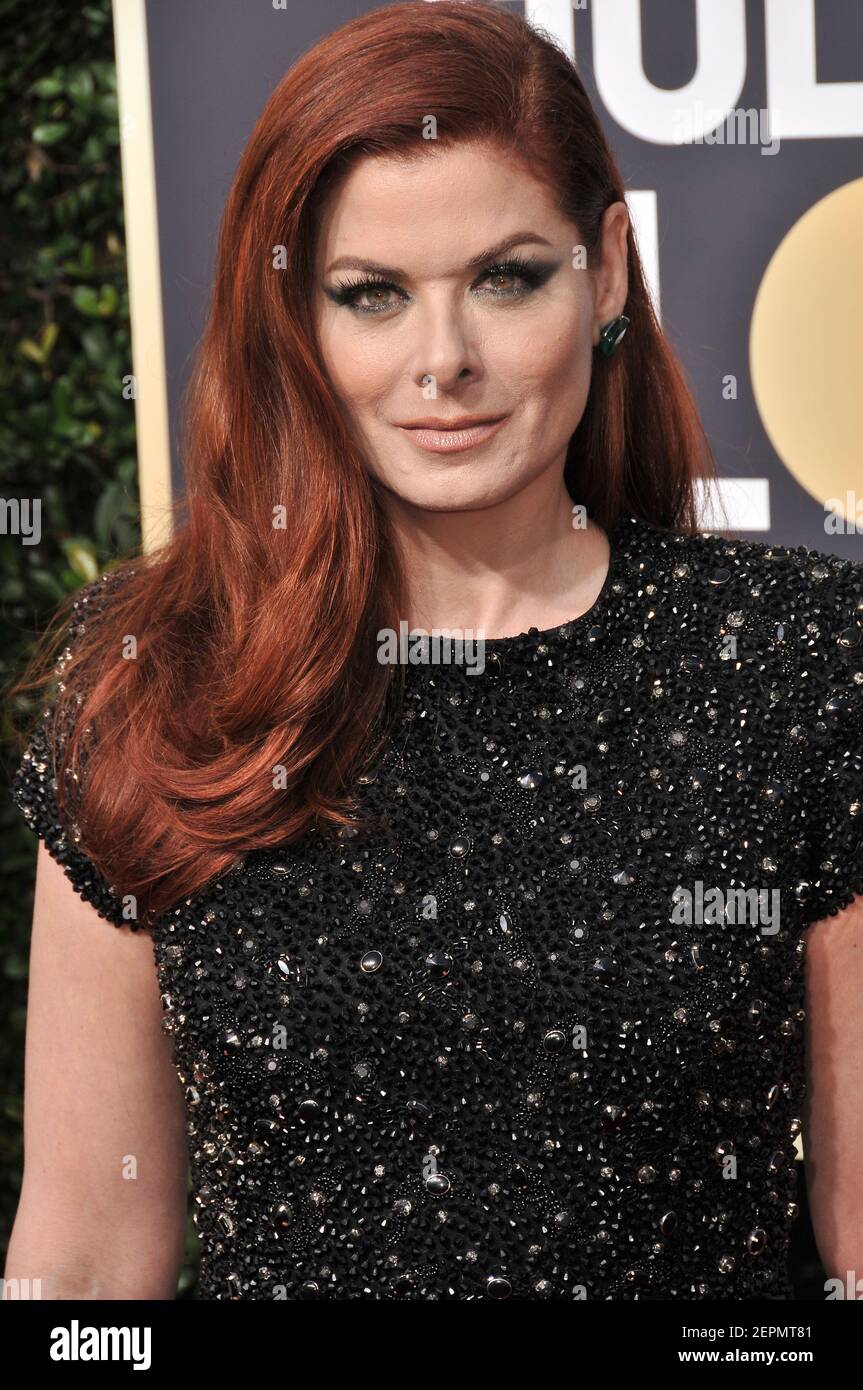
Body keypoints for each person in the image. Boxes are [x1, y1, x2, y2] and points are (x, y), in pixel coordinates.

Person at [5, 0, 863, 1302]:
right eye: (372, 296)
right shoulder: (151, 676)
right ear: (297, 316)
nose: (443, 361)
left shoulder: (800, 666)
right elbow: (81, 1264)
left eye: (508, 277)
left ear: (610, 271)